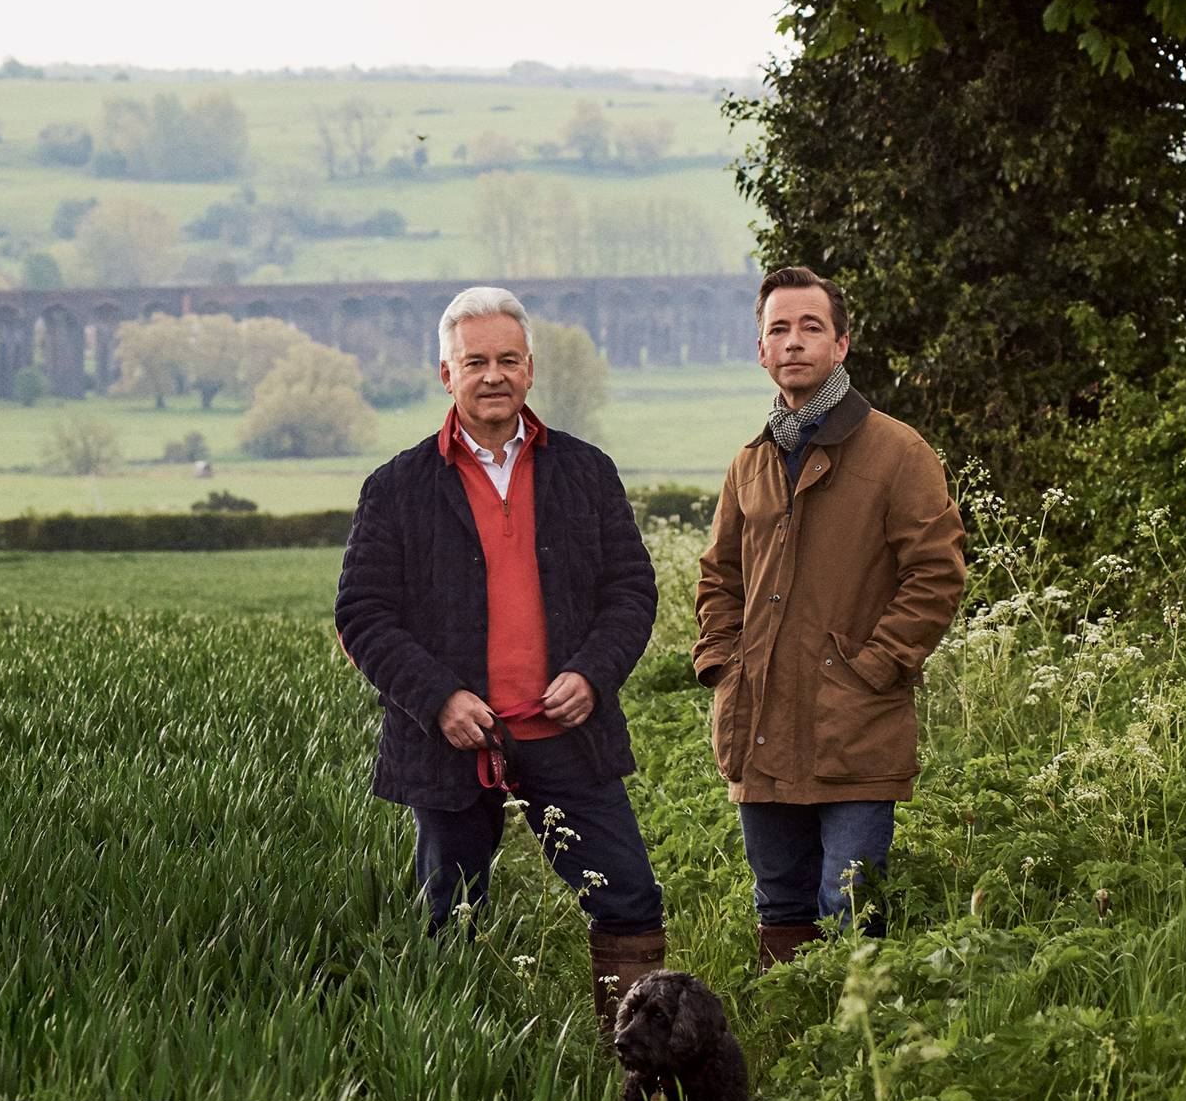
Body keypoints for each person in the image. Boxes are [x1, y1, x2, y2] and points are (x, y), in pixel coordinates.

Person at [336, 286, 665, 1029]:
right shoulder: (396, 488)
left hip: (568, 735)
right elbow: (362, 615)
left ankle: (638, 1070)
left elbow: (631, 591)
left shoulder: (586, 472)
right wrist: (438, 699)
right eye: (475, 361)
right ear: (445, 374)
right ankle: (464, 1064)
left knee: (630, 900)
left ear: (530, 370)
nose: (493, 375)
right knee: (452, 919)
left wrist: (593, 672)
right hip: (451, 745)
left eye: (507, 360)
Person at [693, 265, 965, 968]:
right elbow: (718, 575)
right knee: (779, 909)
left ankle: (854, 1054)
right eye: (778, 329)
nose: (793, 342)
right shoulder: (749, 464)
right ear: (760, 351)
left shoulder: (899, 453)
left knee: (849, 912)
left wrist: (872, 667)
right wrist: (725, 663)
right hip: (760, 724)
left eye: (811, 327)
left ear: (841, 344)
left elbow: (937, 574)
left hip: (857, 731)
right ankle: (791, 1048)